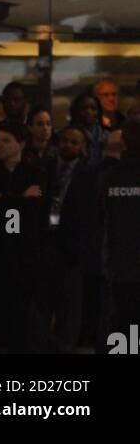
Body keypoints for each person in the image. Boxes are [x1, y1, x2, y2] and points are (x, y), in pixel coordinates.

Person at [0, 120, 45, 354]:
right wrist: (19, 198)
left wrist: (4, 199)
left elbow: (35, 210)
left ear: (21, 144)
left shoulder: (35, 172)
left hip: (24, 252)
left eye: (6, 141)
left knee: (22, 308)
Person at [32, 124, 95, 354]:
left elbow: (90, 217)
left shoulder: (90, 174)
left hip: (72, 251)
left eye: (74, 142)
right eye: (65, 140)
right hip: (44, 245)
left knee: (69, 311)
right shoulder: (43, 168)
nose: (68, 145)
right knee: (41, 307)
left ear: (83, 147)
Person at [99, 116, 140, 349]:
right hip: (122, 266)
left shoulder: (109, 178)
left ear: (123, 142)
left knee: (122, 326)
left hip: (119, 268)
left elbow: (99, 217)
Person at [69, 91, 106, 167]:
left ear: (98, 111)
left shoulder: (106, 135)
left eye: (93, 108)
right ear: (76, 110)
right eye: (84, 108)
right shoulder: (68, 135)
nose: (88, 111)